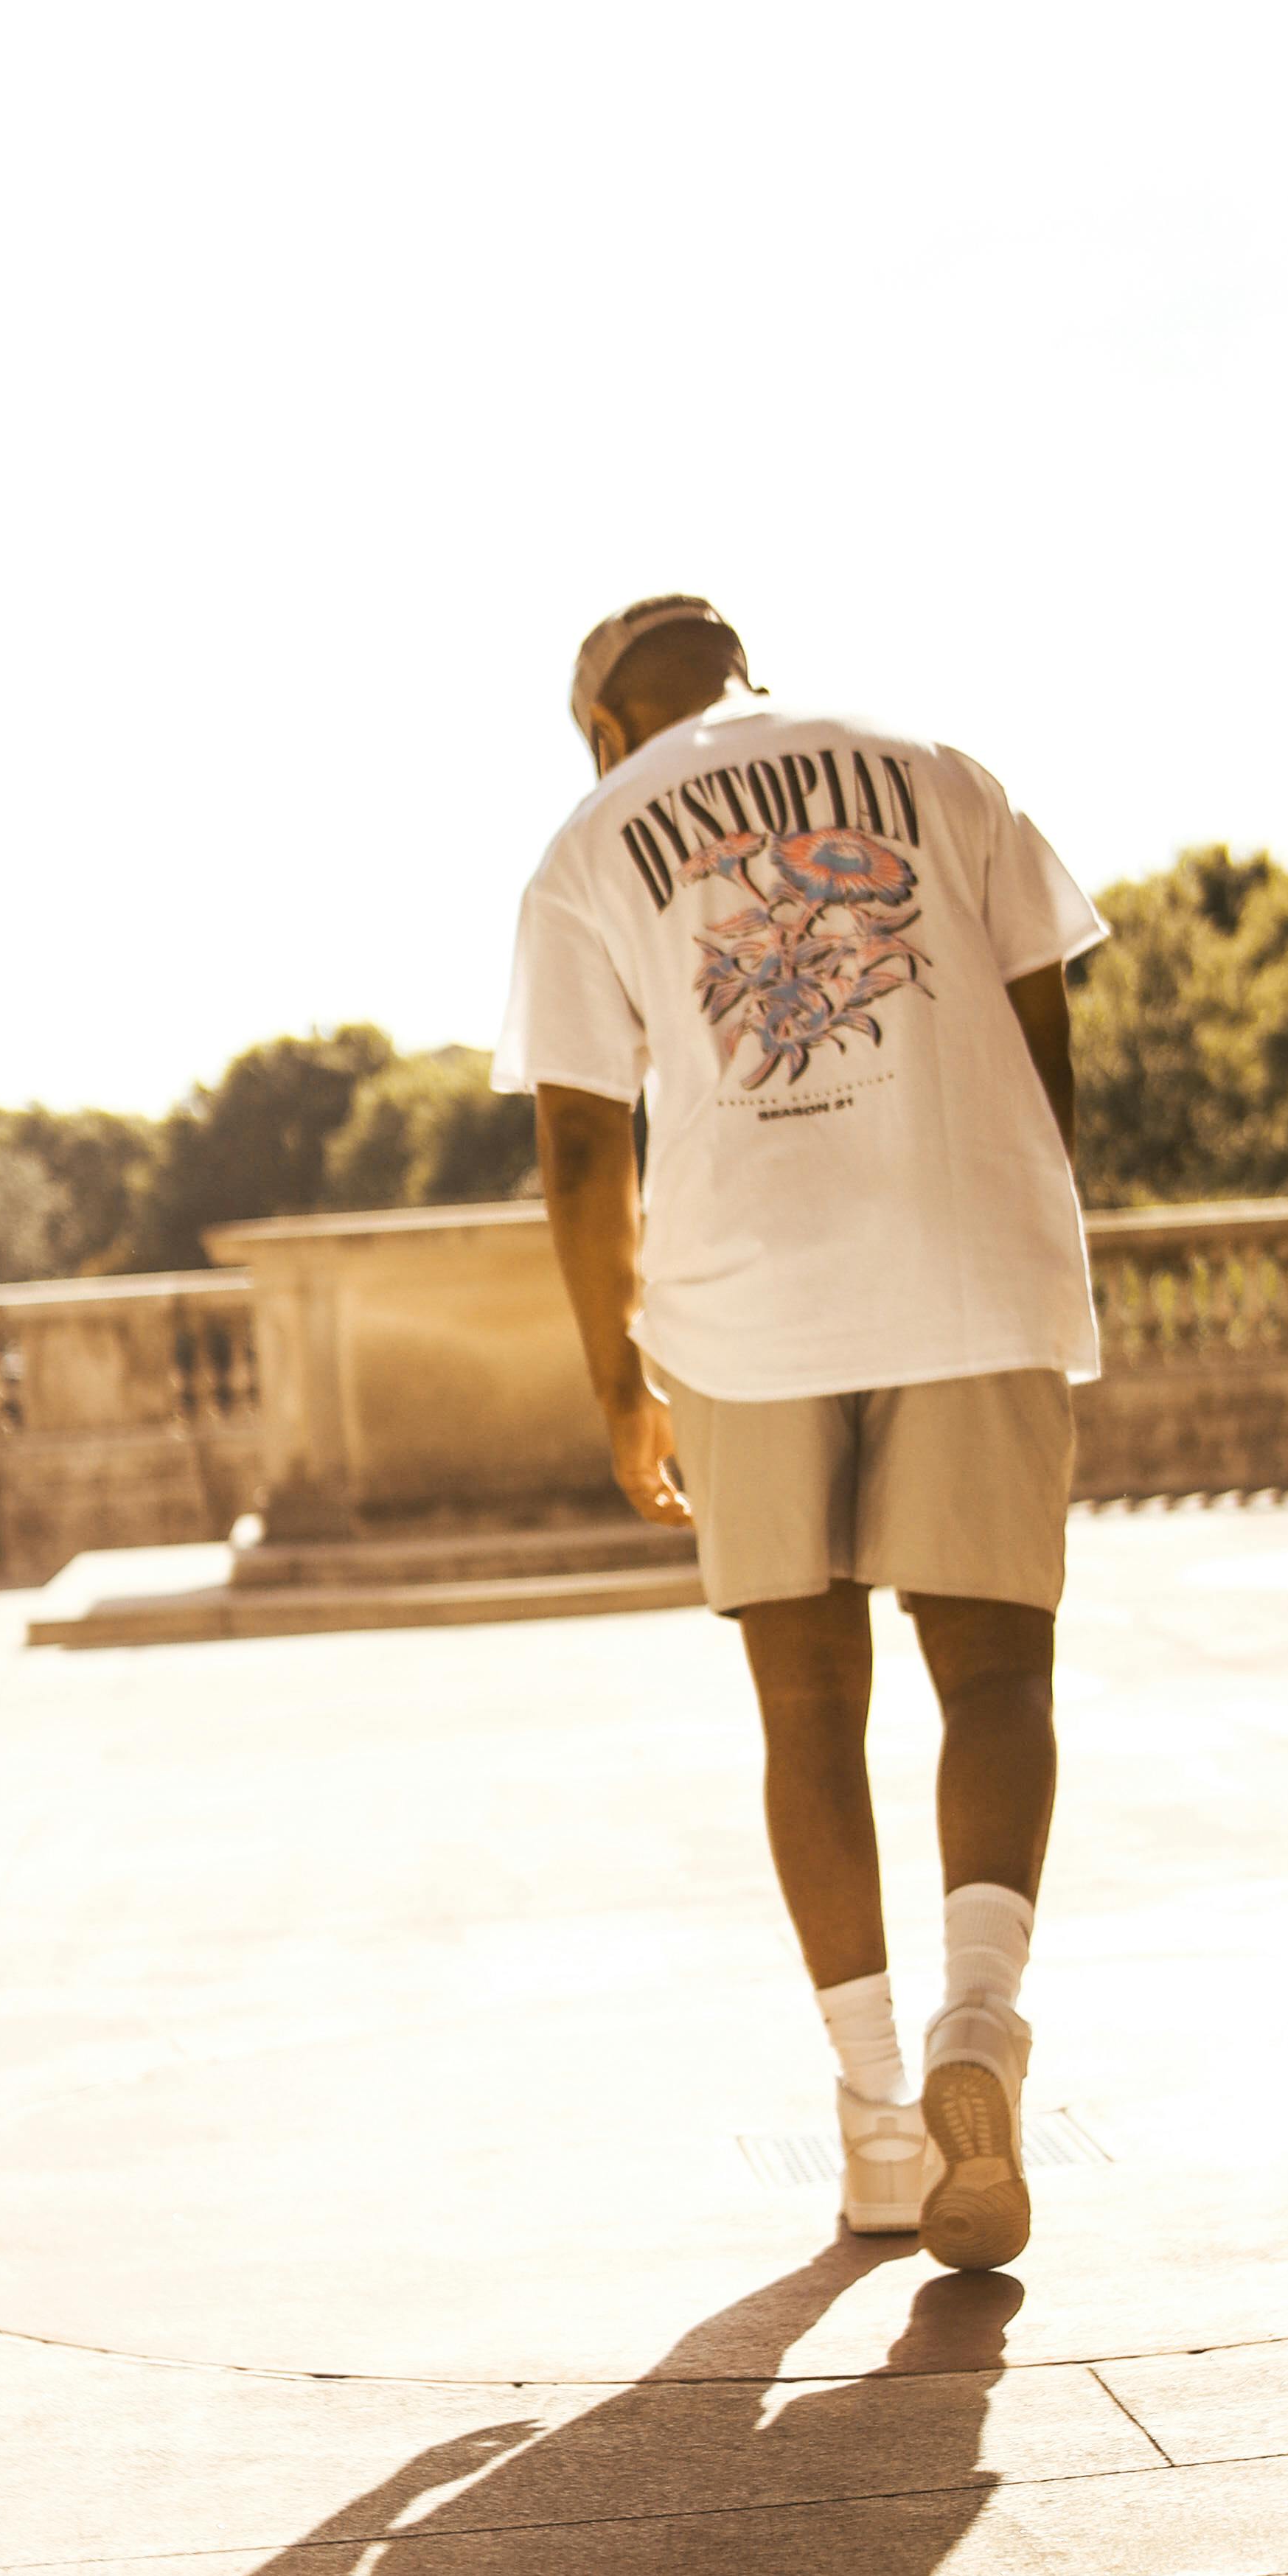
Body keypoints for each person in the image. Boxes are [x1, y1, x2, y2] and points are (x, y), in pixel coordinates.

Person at [494, 593, 1105, 2270]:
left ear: (608, 728)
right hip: (969, 1262)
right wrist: (1017, 1226)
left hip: (742, 1312)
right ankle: (980, 2021)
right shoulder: (940, 772)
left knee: (807, 1705)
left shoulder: (590, 838)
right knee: (995, 1676)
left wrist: (622, 1384)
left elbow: (572, 1144)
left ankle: (878, 2117)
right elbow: (1046, 1027)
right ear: (741, 671)